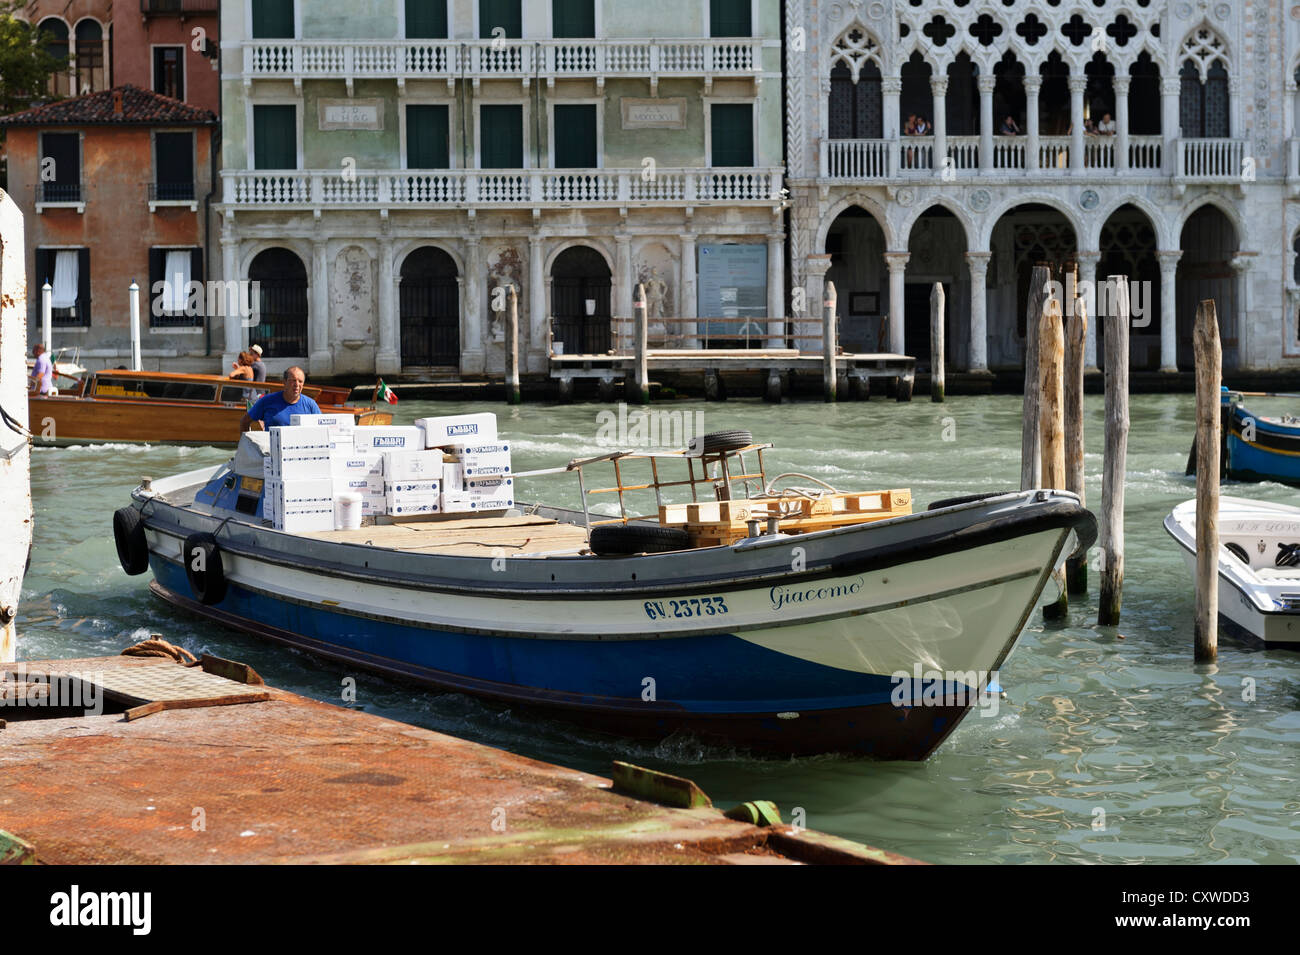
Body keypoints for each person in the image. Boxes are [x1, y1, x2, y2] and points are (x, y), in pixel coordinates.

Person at [239, 366, 319, 432]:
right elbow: (244, 422)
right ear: (284, 382)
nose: (297, 384)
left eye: (300, 381)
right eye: (293, 380)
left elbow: (322, 428)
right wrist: (247, 446)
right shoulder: (267, 401)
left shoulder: (311, 405)